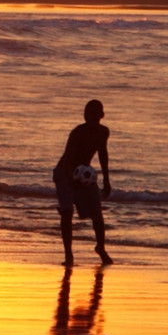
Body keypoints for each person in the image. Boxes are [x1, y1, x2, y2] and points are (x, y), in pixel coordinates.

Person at [53, 98, 113, 267]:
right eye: (87, 114)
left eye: (94, 114)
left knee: (97, 214)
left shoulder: (104, 132)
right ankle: (69, 255)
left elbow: (103, 153)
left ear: (102, 115)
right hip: (64, 173)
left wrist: (106, 179)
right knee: (67, 212)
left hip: (85, 174)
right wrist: (71, 181)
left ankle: (100, 248)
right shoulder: (77, 132)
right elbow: (68, 158)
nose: (90, 117)